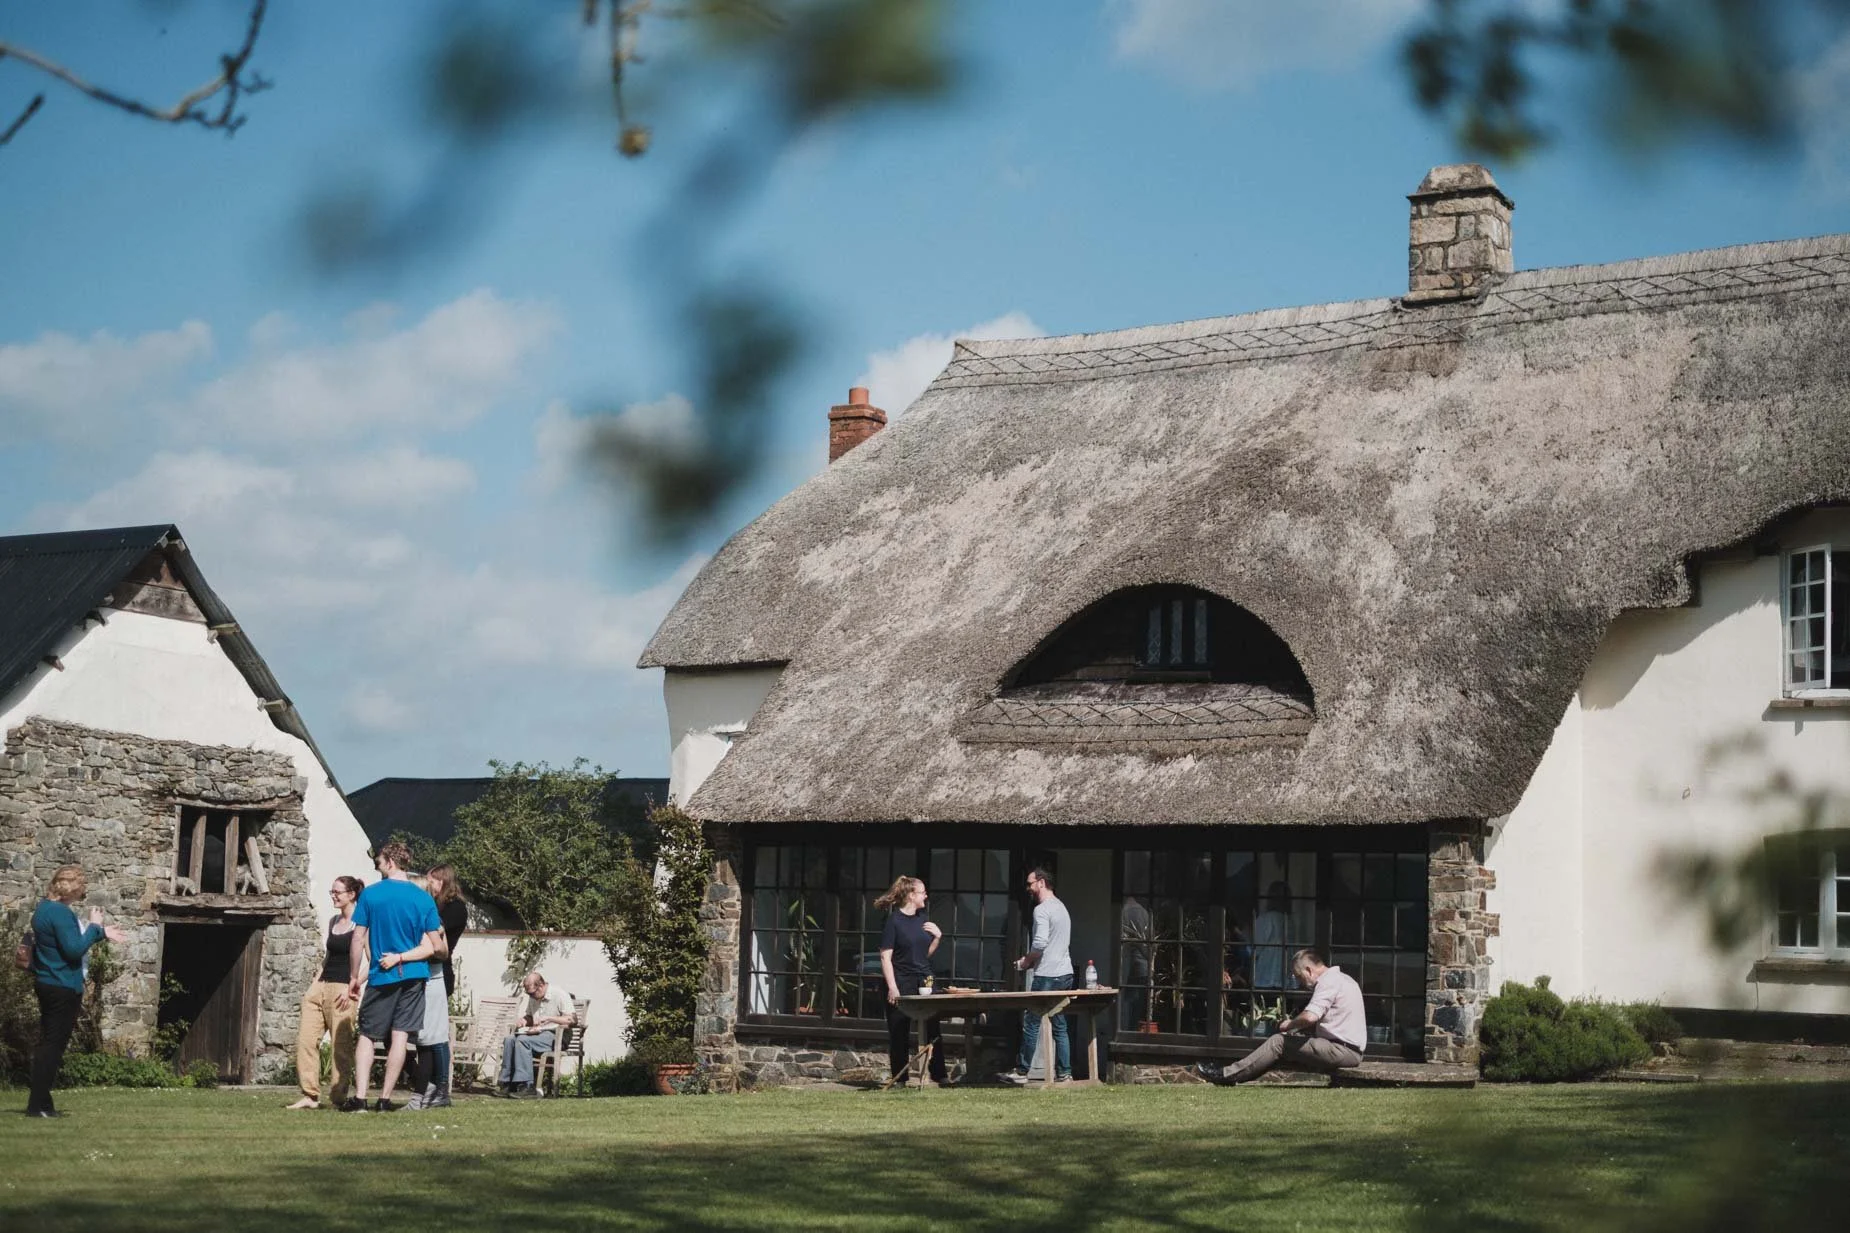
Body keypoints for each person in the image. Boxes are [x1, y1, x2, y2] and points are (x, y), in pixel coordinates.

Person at [345, 841, 445, 1112]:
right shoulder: (423, 898)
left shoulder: (371, 895)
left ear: (390, 862)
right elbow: (436, 945)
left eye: (379, 862)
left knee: (368, 1035)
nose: (377, 866)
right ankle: (384, 1100)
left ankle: (361, 1098)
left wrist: (354, 976)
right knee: (400, 1036)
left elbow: (358, 938)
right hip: (414, 976)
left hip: (382, 974)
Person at [27, 865, 127, 1117]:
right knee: (53, 1046)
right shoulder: (60, 913)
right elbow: (73, 949)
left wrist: (101, 932)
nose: (83, 893)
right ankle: (37, 1105)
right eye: (82, 887)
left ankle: (42, 1104)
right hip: (62, 985)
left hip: (46, 982)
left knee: (48, 1044)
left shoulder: (43, 909)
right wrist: (94, 926)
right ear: (72, 888)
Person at [1195, 948, 1365, 1085]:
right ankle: (1238, 1074)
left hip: (1341, 1050)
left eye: (1299, 977)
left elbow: (1310, 1017)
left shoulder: (1328, 982)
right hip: (1350, 1050)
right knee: (1288, 1043)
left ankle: (1226, 1075)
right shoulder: (1344, 979)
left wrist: (1289, 1024)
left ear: (1309, 970)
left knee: (1279, 1041)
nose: (1300, 983)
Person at [287, 874, 363, 1110]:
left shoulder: (362, 924)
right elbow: (328, 957)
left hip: (343, 989)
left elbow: (372, 962)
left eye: (337, 892)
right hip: (320, 986)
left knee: (341, 1047)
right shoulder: (333, 922)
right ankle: (310, 1095)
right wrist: (314, 984)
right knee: (306, 1040)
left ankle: (339, 1098)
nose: (333, 896)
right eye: (332, 892)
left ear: (351, 895)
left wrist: (353, 985)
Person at [1005, 866, 1073, 1084]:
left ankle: (1022, 1071)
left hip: (1047, 975)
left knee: (1032, 1022)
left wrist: (1026, 961)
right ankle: (1065, 1073)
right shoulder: (1061, 907)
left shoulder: (1041, 909)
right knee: (1059, 1024)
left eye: (1030, 884)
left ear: (1041, 882)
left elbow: (1041, 942)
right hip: (1065, 973)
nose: (1028, 888)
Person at [408, 863, 468, 1110]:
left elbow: (437, 931)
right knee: (426, 1034)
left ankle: (440, 1086)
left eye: (431, 880)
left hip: (440, 973)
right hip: (427, 971)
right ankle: (427, 1083)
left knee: (437, 1035)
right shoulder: (436, 905)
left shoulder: (455, 908)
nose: (428, 884)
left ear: (442, 881)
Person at [875, 875, 945, 1087]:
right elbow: (885, 957)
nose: (926, 896)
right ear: (911, 895)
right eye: (922, 892)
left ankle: (939, 1074)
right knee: (899, 1030)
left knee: (933, 1028)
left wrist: (937, 938)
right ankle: (900, 1079)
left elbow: (924, 955)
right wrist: (892, 987)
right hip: (901, 980)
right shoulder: (894, 921)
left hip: (924, 980)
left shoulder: (923, 918)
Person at [498, 970, 574, 1098]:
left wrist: (550, 1018)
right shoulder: (534, 997)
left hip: (556, 1036)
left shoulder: (559, 994)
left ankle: (527, 1086)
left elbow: (572, 1020)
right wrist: (524, 1021)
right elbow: (530, 1017)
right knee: (509, 1039)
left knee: (522, 1041)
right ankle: (507, 1083)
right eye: (528, 994)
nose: (531, 996)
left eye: (532, 993)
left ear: (541, 986)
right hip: (538, 1034)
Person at [1252, 881, 1293, 991]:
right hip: (1286, 977)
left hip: (1266, 976)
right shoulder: (1290, 920)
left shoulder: (1267, 918)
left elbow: (1256, 946)